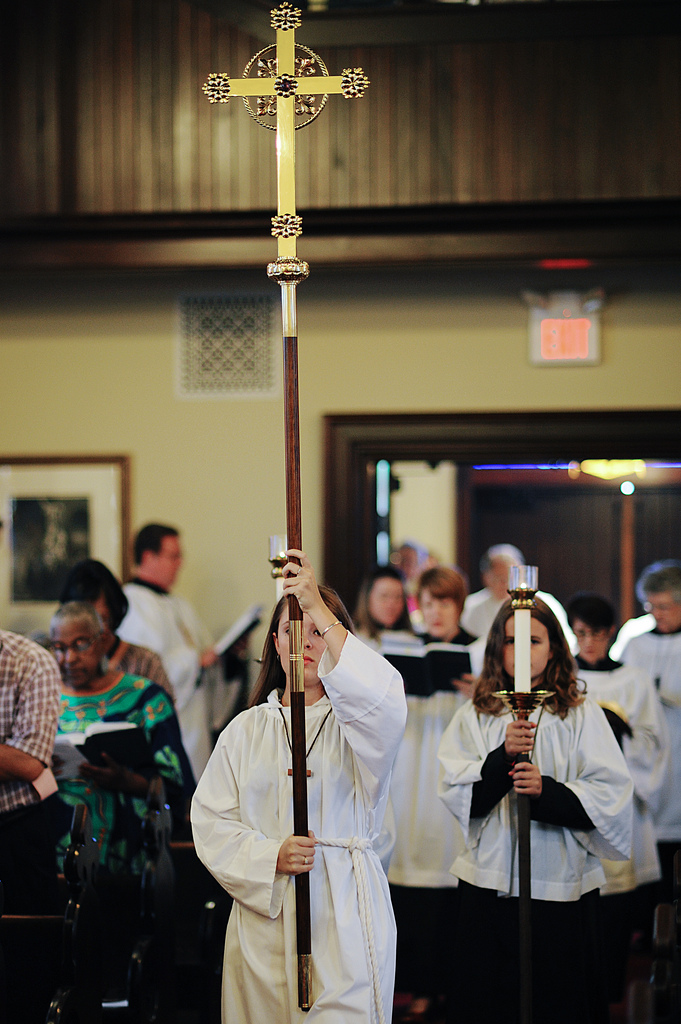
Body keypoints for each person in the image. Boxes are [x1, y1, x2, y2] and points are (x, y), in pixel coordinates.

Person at [191, 550, 407, 1024]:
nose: (305, 642)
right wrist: (271, 857)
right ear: (275, 641)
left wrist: (316, 605)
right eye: (294, 628)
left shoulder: (361, 725)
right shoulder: (246, 730)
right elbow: (210, 822)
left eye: (318, 631)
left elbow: (387, 700)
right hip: (264, 914)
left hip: (343, 908)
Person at [438, 598, 633, 1024]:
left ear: (554, 648)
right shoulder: (478, 712)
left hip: (560, 886)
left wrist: (549, 793)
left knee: (556, 1000)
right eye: (511, 641)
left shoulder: (581, 713)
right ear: (495, 649)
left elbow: (612, 793)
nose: (522, 652)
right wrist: (499, 761)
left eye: (533, 640)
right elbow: (455, 787)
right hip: (489, 882)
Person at [567, 592, 668, 1003]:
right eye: (579, 633)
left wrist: (621, 730)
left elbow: (654, 743)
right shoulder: (561, 677)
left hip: (619, 804)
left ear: (610, 634)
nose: (587, 642)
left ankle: (610, 995)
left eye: (595, 633)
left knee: (612, 917)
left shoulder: (633, 679)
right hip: (572, 801)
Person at [387, 565, 475, 1022]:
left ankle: (447, 987)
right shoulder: (401, 648)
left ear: (460, 605)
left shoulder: (480, 650)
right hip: (409, 771)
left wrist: (483, 692)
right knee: (405, 881)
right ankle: (410, 985)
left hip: (453, 775)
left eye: (446, 602)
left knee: (448, 883)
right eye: (429, 602)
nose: (436, 611)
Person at [49, 601, 191, 874]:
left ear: (102, 641)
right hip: (54, 849)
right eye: (59, 647)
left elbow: (178, 784)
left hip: (129, 854)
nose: (69, 658)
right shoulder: (44, 697)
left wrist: (128, 781)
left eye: (80, 645)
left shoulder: (146, 698)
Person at [117, 523, 223, 780]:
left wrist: (228, 657)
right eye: (173, 556)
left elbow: (206, 653)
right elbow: (148, 673)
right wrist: (195, 661)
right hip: (169, 722)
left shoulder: (178, 604)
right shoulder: (132, 603)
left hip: (194, 719)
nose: (180, 563)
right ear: (147, 557)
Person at [620, 562, 681, 903]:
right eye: (650, 606)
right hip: (646, 751)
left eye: (664, 607)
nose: (656, 614)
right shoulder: (637, 644)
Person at [0, 628, 61, 913]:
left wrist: (16, 761)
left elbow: (28, 763)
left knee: (27, 943)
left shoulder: (31, 661)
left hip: (13, 827)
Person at [59, 558, 175, 702]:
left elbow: (165, 719)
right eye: (83, 624)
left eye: (101, 619)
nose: (93, 631)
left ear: (114, 612)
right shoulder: (61, 666)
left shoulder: (146, 663)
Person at [460, 543, 575, 650]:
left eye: (510, 577)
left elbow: (566, 642)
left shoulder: (545, 603)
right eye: (498, 578)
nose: (504, 583)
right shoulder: (472, 605)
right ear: (485, 577)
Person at [353, 565, 415, 648]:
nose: (391, 604)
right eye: (384, 596)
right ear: (367, 599)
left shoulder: (411, 640)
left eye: (397, 597)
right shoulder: (354, 639)